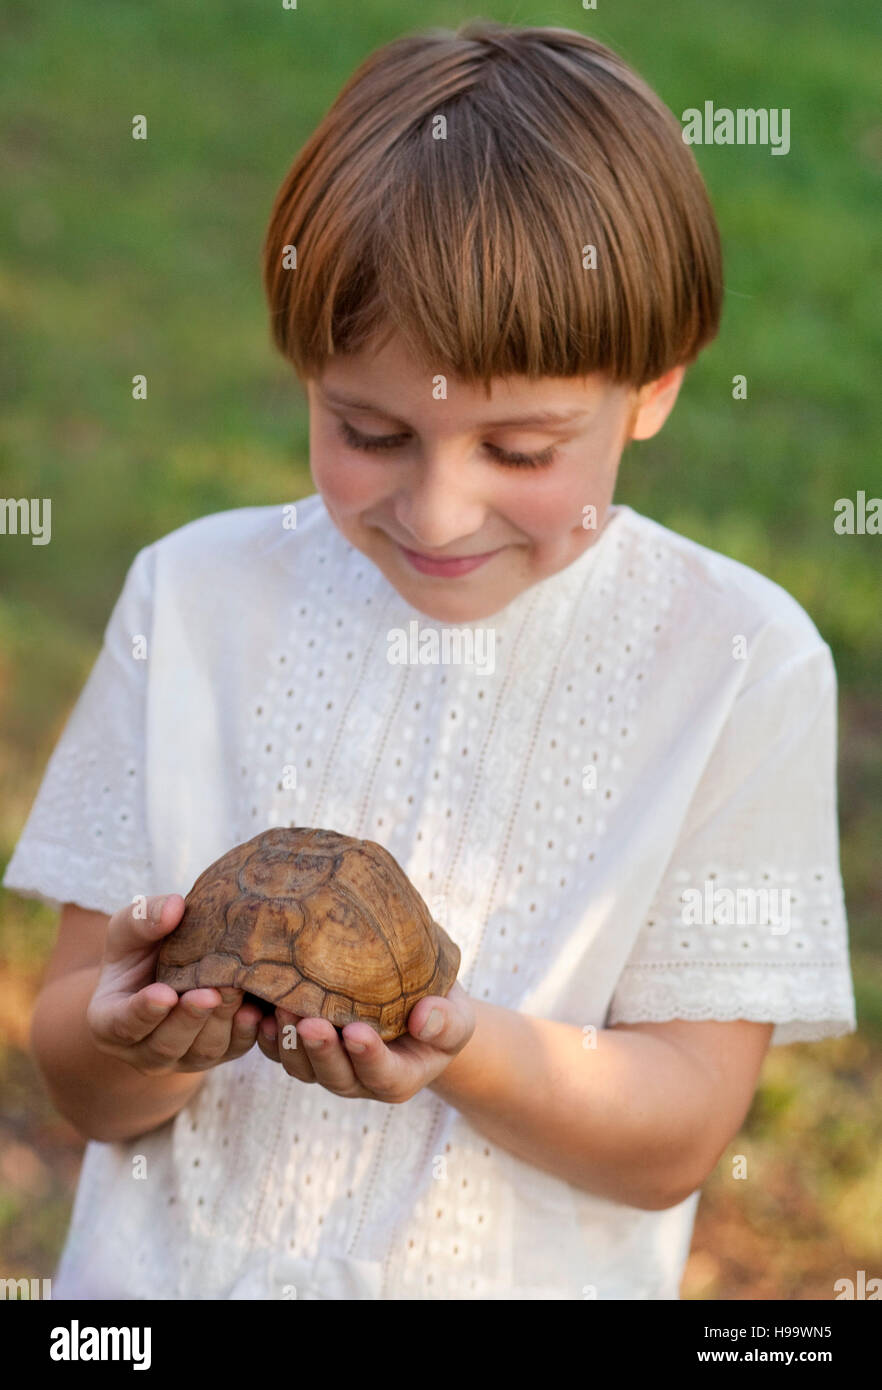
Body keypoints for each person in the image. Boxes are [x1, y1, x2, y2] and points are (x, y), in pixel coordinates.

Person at [3, 21, 856, 1300]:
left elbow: (676, 1133)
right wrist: (139, 1037)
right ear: (305, 375)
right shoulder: (189, 598)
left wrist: (458, 1046)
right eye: (368, 430)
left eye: (519, 451)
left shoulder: (737, 663)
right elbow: (80, 1072)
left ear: (656, 390)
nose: (439, 510)